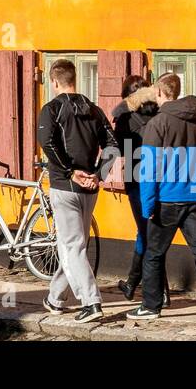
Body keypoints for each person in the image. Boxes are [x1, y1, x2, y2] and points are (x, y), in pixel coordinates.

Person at [126, 72, 196, 322]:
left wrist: (147, 205)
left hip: (167, 199)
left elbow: (149, 168)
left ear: (161, 93)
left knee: (154, 253)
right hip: (195, 197)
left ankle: (151, 306)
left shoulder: (158, 123)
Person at [37, 59, 119, 323]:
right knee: (75, 245)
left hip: (65, 185)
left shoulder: (51, 109)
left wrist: (71, 171)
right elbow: (113, 144)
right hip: (90, 188)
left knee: (72, 246)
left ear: (54, 81)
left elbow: (47, 142)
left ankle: (91, 302)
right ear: (75, 79)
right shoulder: (93, 109)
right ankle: (55, 297)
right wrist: (99, 174)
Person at [110, 74, 165, 304]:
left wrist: (97, 174)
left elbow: (115, 150)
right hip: (162, 178)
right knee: (153, 232)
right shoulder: (161, 113)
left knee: (146, 232)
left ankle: (141, 286)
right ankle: (136, 284)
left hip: (137, 178)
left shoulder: (124, 118)